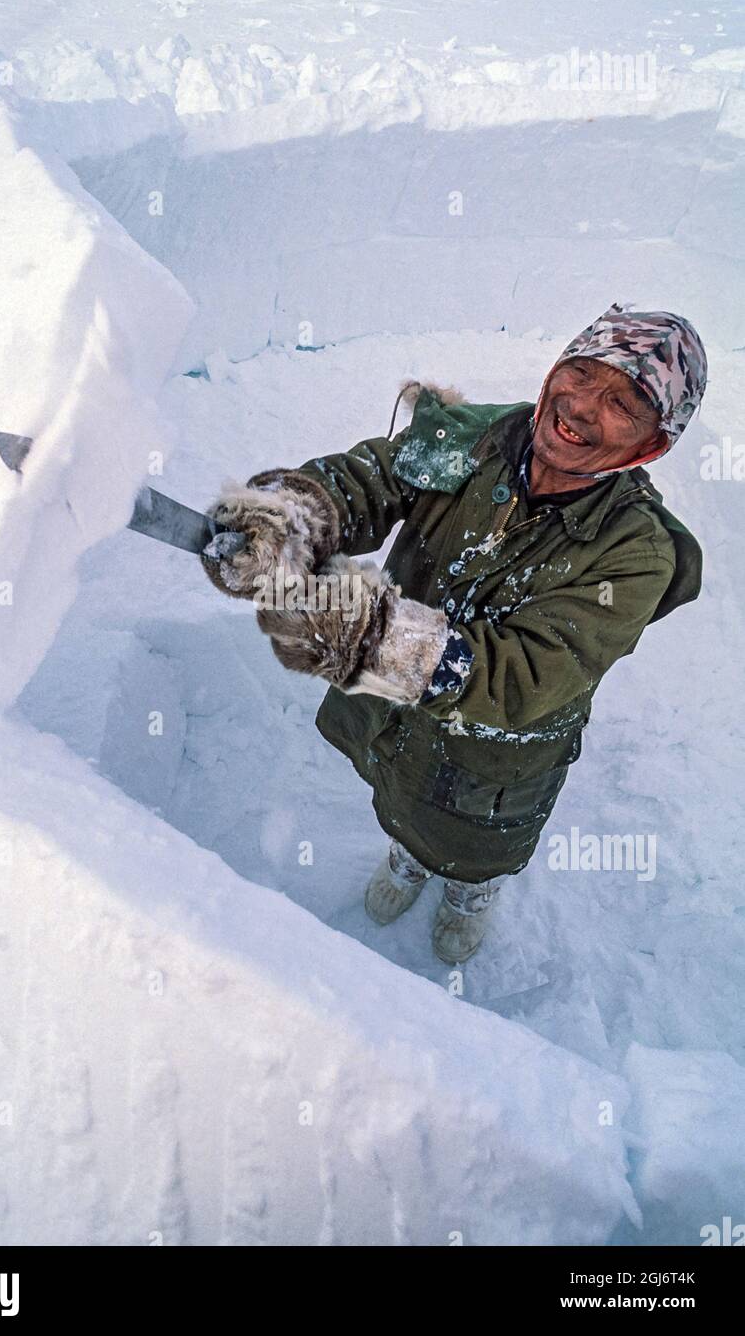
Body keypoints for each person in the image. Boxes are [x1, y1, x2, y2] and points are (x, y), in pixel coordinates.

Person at [200, 304, 707, 964]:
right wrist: (290, 518)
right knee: (403, 804)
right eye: (581, 372)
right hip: (398, 714)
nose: (582, 405)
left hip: (495, 762)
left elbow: (521, 674)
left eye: (622, 403)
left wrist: (365, 635)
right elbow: (373, 478)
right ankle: (409, 864)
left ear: (651, 443)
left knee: (475, 843)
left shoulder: (634, 554)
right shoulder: (478, 438)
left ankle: (471, 892)